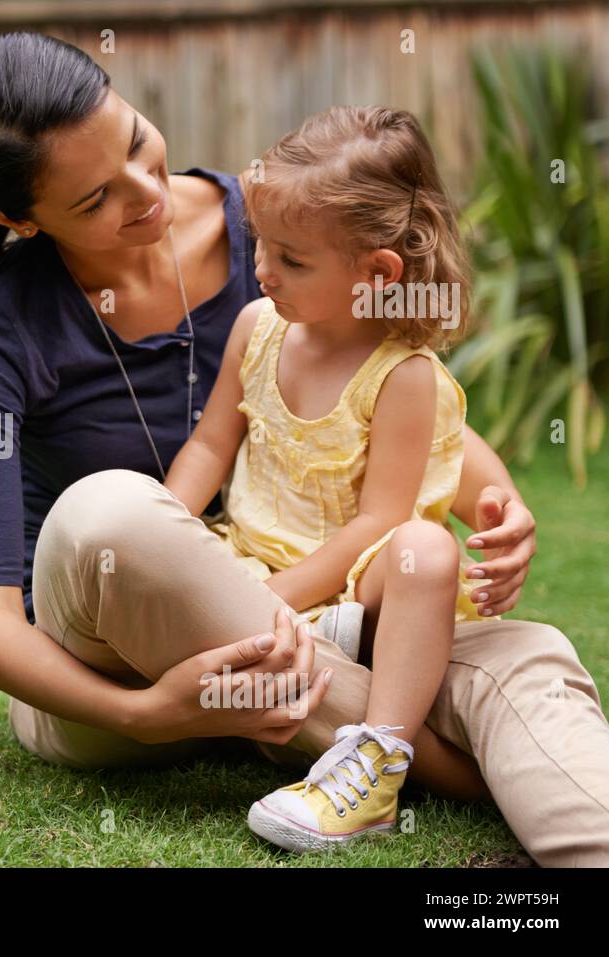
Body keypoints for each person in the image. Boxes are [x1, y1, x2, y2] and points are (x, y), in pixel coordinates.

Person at [0, 31, 609, 865]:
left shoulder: (281, 222)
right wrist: (154, 710)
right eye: (96, 198)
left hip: (305, 615)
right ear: (14, 217)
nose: (146, 193)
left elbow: (388, 392)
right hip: (112, 668)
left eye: (137, 141)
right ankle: (431, 762)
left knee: (520, 655)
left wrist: (503, 507)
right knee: (112, 512)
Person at [163, 105, 490, 852]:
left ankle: (376, 761)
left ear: (377, 274)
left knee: (426, 551)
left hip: (350, 586)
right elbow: (212, 445)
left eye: (293, 259)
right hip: (251, 561)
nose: (262, 269)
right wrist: (164, 525)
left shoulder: (404, 377)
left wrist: (271, 599)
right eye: (258, 244)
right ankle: (305, 661)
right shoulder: (256, 327)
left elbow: (379, 523)